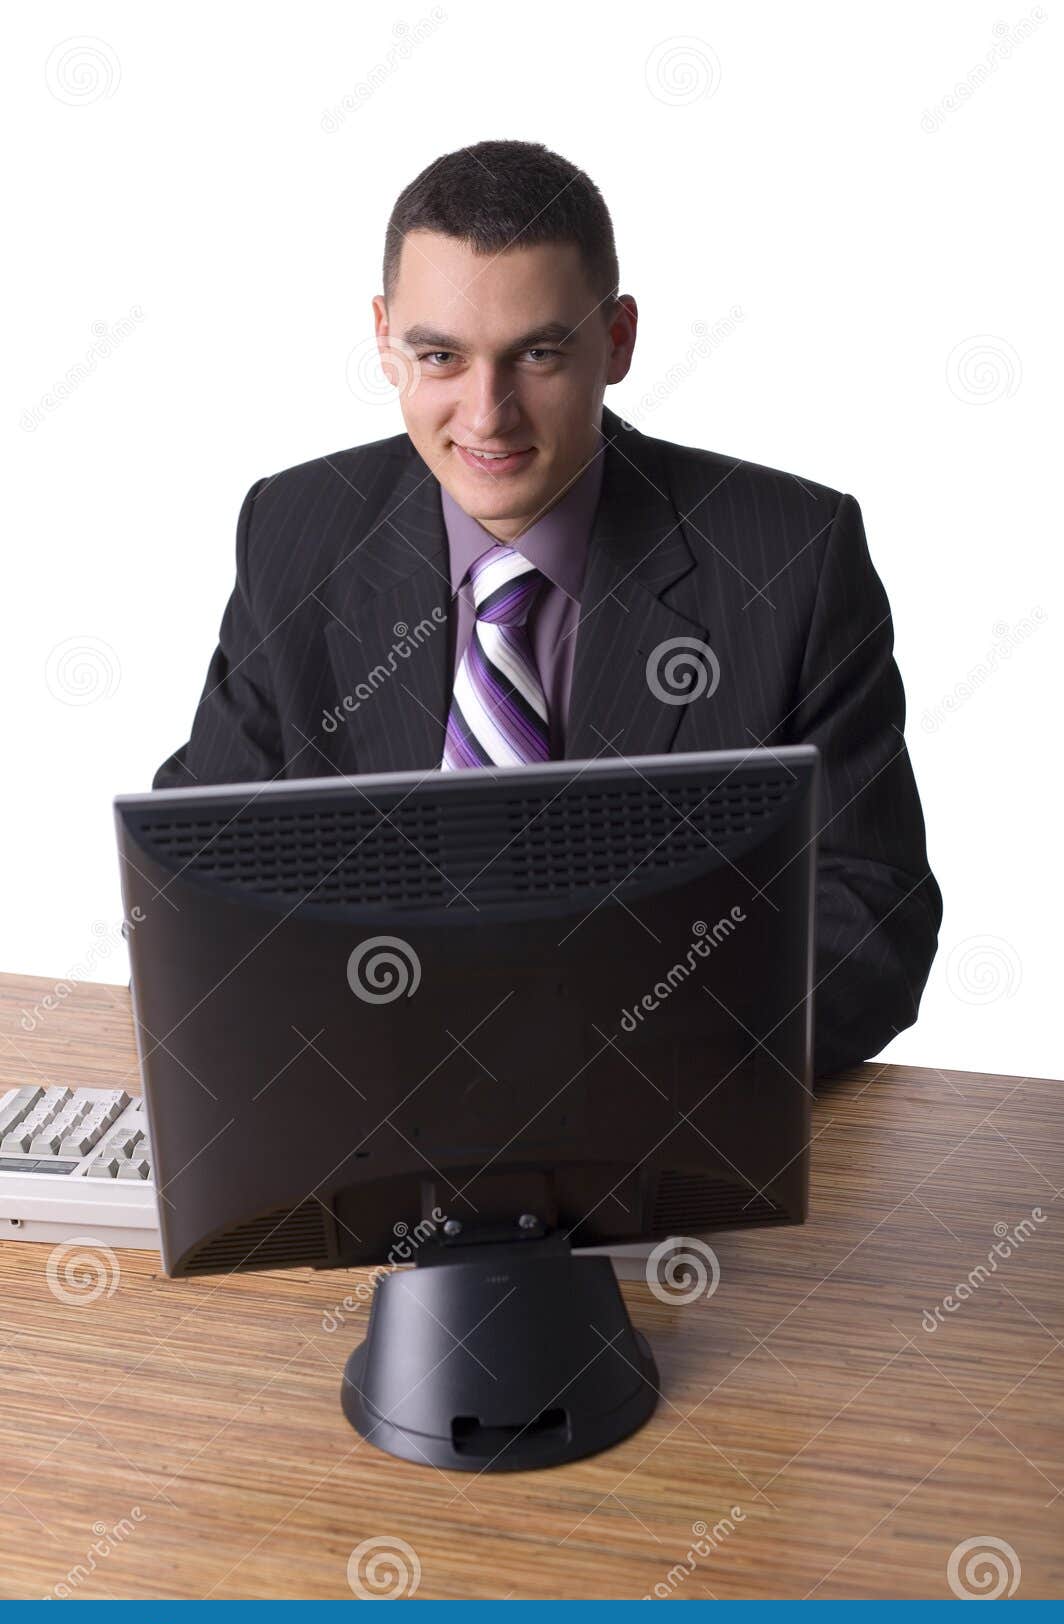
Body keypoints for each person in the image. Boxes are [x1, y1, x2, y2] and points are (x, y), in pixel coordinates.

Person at [153, 138, 942, 1078]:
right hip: (360, 1109)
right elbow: (202, 860)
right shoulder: (295, 528)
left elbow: (870, 909)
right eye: (439, 355)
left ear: (616, 341)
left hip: (658, 1113)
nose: (487, 417)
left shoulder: (790, 555)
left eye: (536, 353)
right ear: (382, 339)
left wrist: (606, 1056)